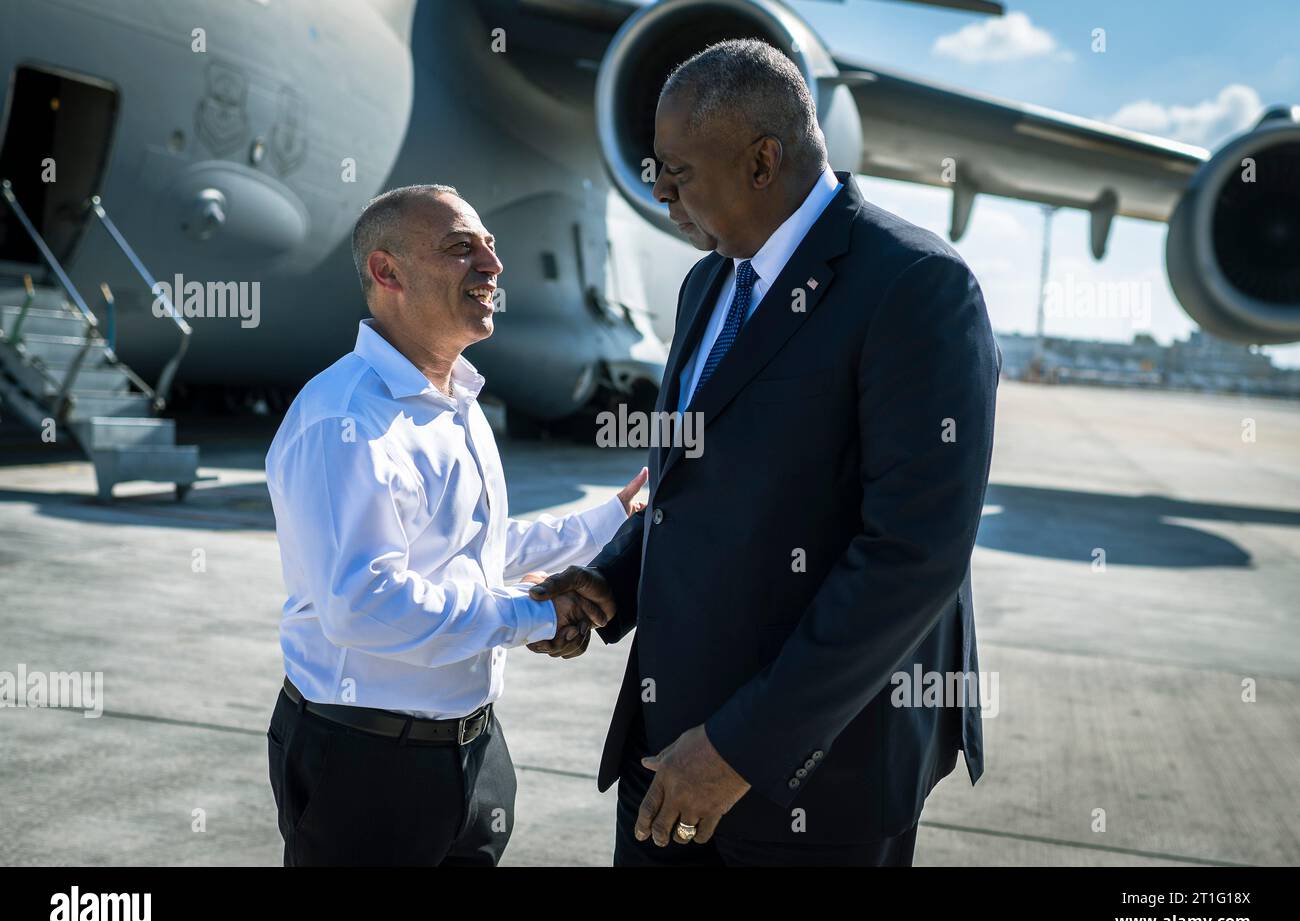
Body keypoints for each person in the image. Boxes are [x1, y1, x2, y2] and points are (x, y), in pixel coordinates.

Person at [530, 39, 1000, 866]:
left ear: (762, 161)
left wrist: (742, 748)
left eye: (677, 171)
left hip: (812, 781)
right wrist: (611, 577)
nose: (659, 190)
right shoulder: (707, 282)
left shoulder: (917, 286)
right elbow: (688, 479)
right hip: (666, 754)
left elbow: (913, 555)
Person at [264, 184, 645, 865]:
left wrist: (610, 521)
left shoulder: (457, 398)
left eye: (490, 248)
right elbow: (364, 605)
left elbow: (477, 552)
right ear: (388, 273)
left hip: (474, 750)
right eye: (461, 249)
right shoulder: (344, 418)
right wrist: (534, 618)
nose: (493, 267)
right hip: (367, 762)